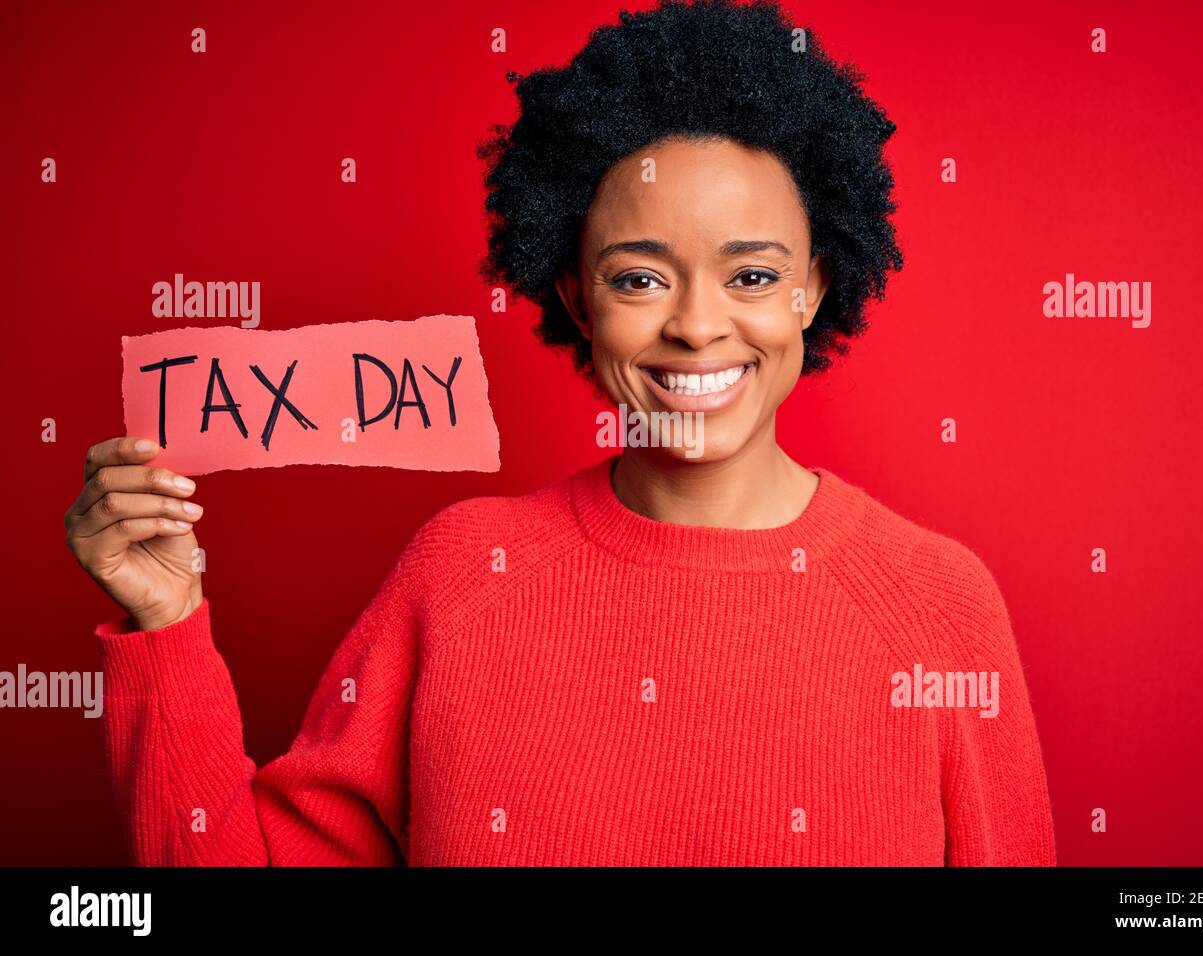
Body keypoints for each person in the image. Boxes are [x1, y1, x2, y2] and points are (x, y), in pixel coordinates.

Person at [65, 0, 1056, 865]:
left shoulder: (938, 607)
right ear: (578, 300)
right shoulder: (459, 574)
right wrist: (169, 626)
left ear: (814, 290)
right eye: (639, 277)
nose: (698, 325)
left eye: (751, 275)